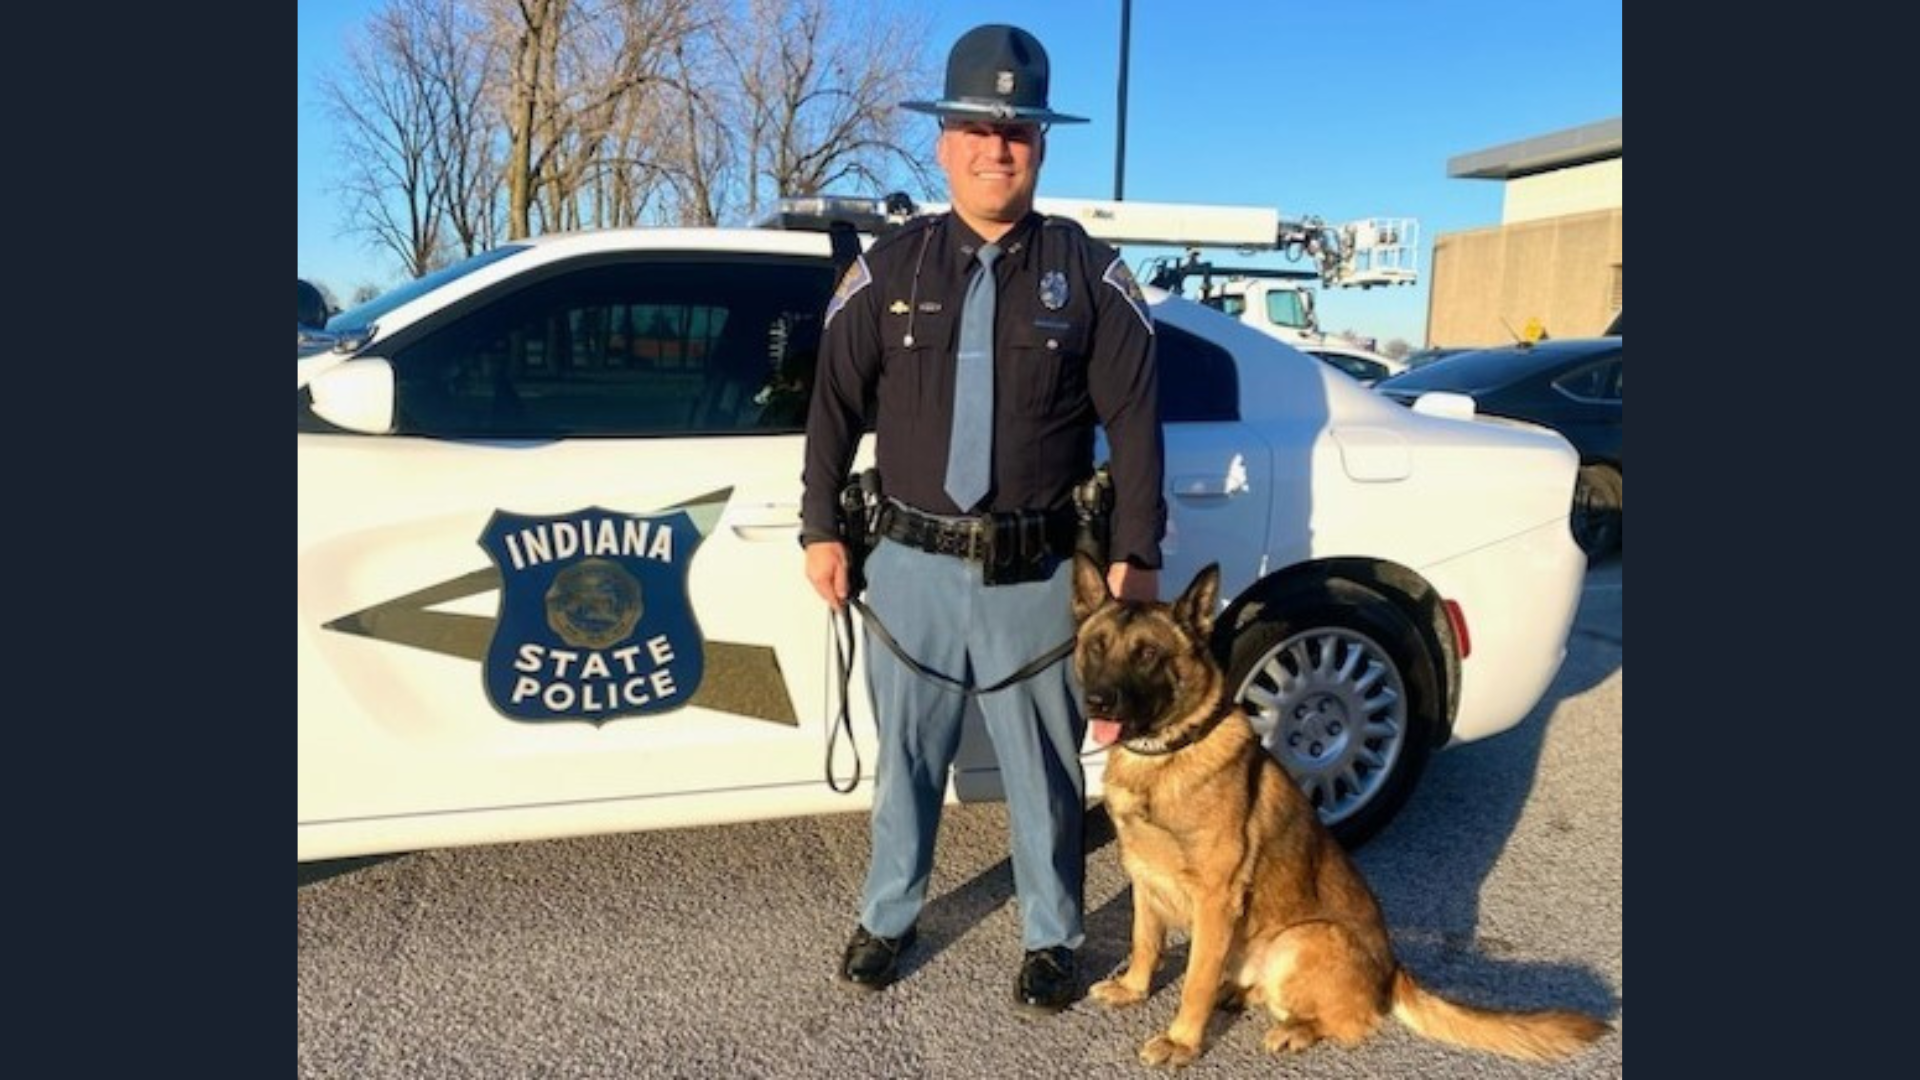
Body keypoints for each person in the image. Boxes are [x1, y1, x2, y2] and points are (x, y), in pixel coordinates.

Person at [800, 23, 1166, 1014]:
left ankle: (1052, 936)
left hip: (1034, 575)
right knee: (905, 761)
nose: (997, 146)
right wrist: (820, 528)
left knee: (1044, 776)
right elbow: (833, 402)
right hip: (909, 564)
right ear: (943, 140)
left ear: (1041, 148)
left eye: (1018, 130)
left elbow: (1135, 424)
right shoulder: (891, 267)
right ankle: (888, 914)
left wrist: (1138, 559)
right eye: (978, 126)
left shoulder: (1089, 274)